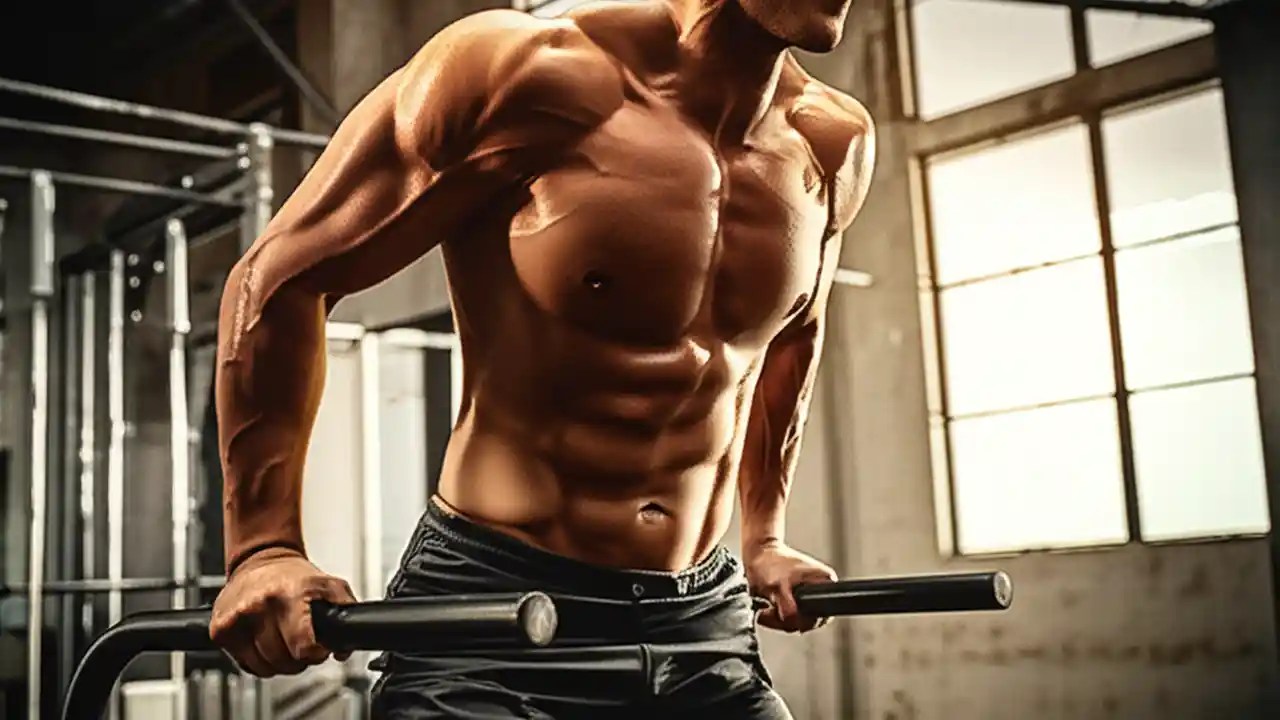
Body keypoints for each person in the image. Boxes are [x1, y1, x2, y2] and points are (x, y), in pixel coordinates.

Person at [210, 0, 875, 717]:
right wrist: (264, 549)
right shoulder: (517, 71)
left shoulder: (832, 141)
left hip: (699, 628)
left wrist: (765, 536)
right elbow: (283, 277)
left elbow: (795, 332)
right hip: (498, 624)